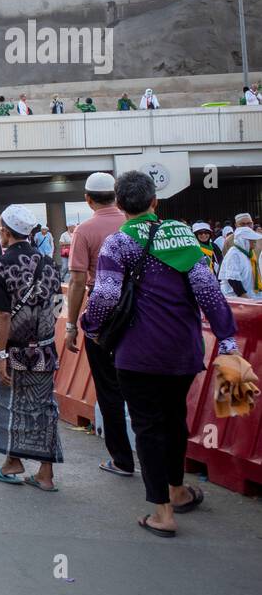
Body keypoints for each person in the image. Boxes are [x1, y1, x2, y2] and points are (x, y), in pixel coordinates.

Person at [80, 171, 239, 537]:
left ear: (120, 205)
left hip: (136, 354)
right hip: (183, 351)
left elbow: (104, 297)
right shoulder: (183, 236)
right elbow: (208, 290)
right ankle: (178, 489)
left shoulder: (118, 243)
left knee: (148, 426)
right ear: (155, 202)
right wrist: (227, 337)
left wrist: (88, 325)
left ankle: (163, 512)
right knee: (174, 421)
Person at [0, 205, 64, 490]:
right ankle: (45, 473)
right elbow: (57, 305)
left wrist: (1, 354)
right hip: (43, 348)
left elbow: (2, 315)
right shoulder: (49, 263)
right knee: (42, 409)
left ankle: (13, 461)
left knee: (6, 405)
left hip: (14, 349)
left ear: (6, 231)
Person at [63, 172, 133, 478]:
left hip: (103, 316)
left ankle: (122, 459)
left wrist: (70, 326)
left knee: (109, 388)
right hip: (139, 313)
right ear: (116, 196)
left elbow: (78, 281)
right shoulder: (133, 224)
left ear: (88, 199)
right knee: (141, 387)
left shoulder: (85, 230)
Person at [219, 226, 262, 299]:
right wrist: (244, 297)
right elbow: (233, 279)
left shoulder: (247, 253)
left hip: (249, 295)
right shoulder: (234, 254)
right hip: (236, 298)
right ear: (243, 240)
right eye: (252, 239)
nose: (255, 241)